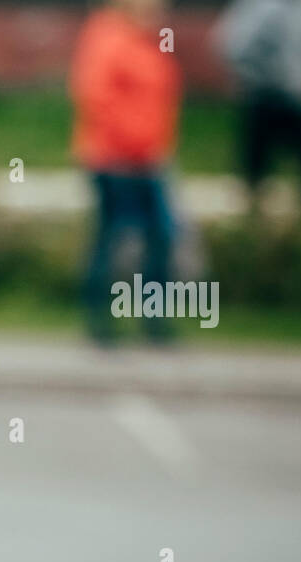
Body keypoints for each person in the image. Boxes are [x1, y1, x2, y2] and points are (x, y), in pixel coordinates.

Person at [69, 0, 183, 345]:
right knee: (112, 239)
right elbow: (96, 98)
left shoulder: (148, 42)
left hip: (148, 160)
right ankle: (100, 322)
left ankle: (154, 321)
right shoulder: (109, 38)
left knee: (160, 237)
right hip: (115, 160)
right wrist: (134, 144)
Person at [215, 0, 301, 217]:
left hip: (297, 98)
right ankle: (252, 209)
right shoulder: (261, 8)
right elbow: (234, 47)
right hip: (267, 97)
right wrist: (267, 76)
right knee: (257, 156)